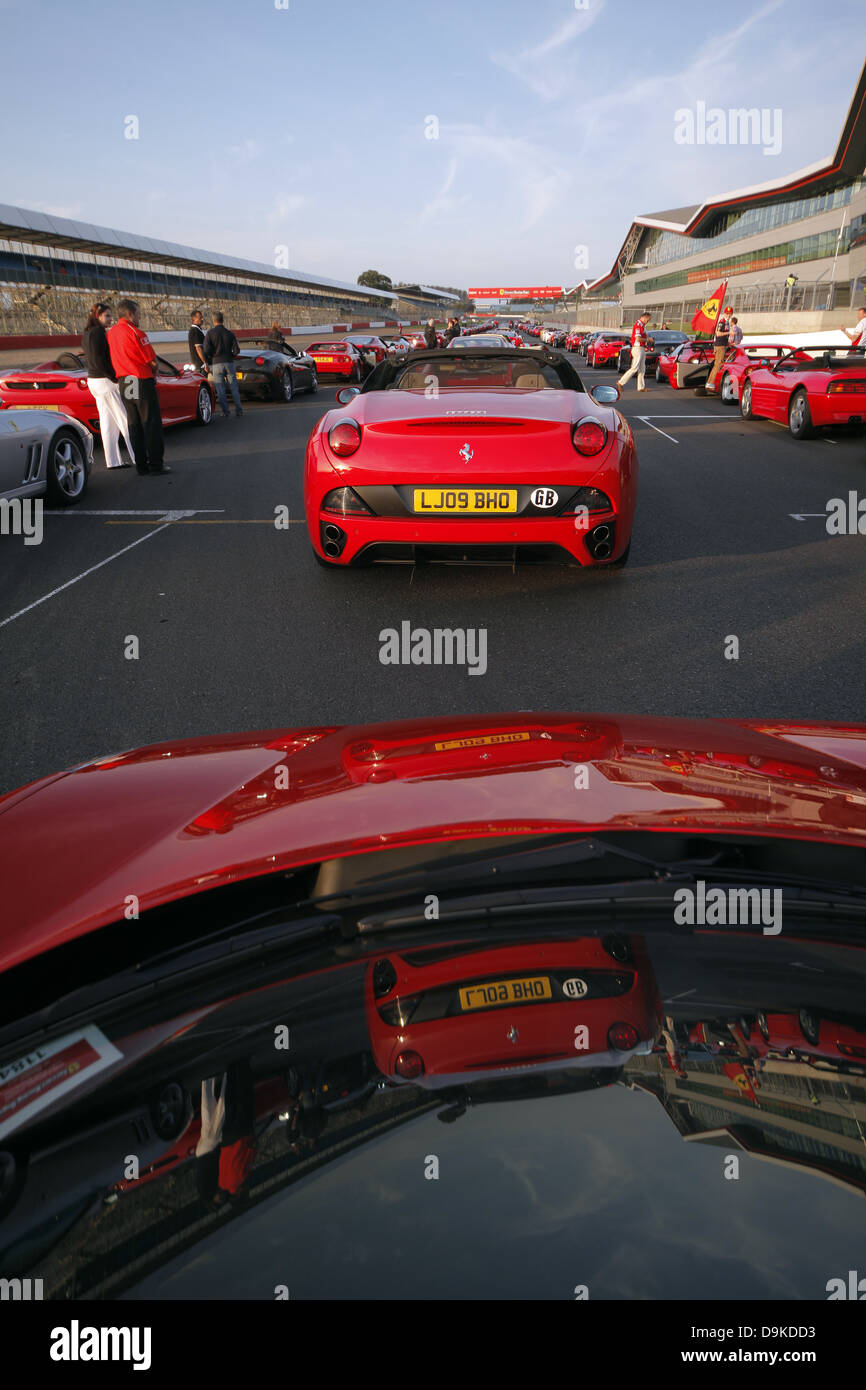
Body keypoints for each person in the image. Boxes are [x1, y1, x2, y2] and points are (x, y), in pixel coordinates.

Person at [108, 299, 169, 475]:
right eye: (138, 313)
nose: (140, 316)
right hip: (140, 379)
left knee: (134, 423)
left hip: (125, 381)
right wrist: (155, 372)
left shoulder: (111, 333)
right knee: (150, 423)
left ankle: (141, 465)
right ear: (130, 314)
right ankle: (156, 464)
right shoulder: (137, 332)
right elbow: (151, 361)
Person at [82, 302, 135, 469]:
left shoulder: (87, 333)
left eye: (111, 315)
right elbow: (100, 360)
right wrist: (113, 377)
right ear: (97, 316)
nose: (110, 319)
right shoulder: (98, 332)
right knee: (125, 420)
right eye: (107, 316)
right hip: (105, 382)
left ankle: (113, 461)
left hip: (93, 381)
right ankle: (137, 457)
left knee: (108, 423)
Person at [204, 311, 243, 418]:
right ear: (223, 320)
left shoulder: (210, 333)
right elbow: (237, 351)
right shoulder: (230, 333)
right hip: (229, 362)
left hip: (216, 363)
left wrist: (213, 355)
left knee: (220, 390)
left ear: (213, 320)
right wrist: (230, 355)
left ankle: (226, 412)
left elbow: (206, 350)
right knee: (234, 388)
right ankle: (239, 410)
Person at [617, 311, 651, 391]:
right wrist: (648, 339)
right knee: (635, 368)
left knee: (642, 368)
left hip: (641, 348)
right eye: (647, 319)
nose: (648, 321)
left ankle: (641, 387)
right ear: (644, 317)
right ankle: (621, 382)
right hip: (637, 348)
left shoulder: (642, 326)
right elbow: (638, 338)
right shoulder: (638, 325)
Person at [705, 304, 733, 394]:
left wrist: (728, 343)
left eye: (730, 313)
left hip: (723, 345)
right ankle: (711, 383)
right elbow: (718, 333)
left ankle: (710, 383)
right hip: (720, 346)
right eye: (727, 313)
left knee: (717, 364)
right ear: (724, 313)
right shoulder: (722, 322)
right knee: (718, 364)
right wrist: (729, 332)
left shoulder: (727, 323)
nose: (728, 315)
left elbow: (724, 335)